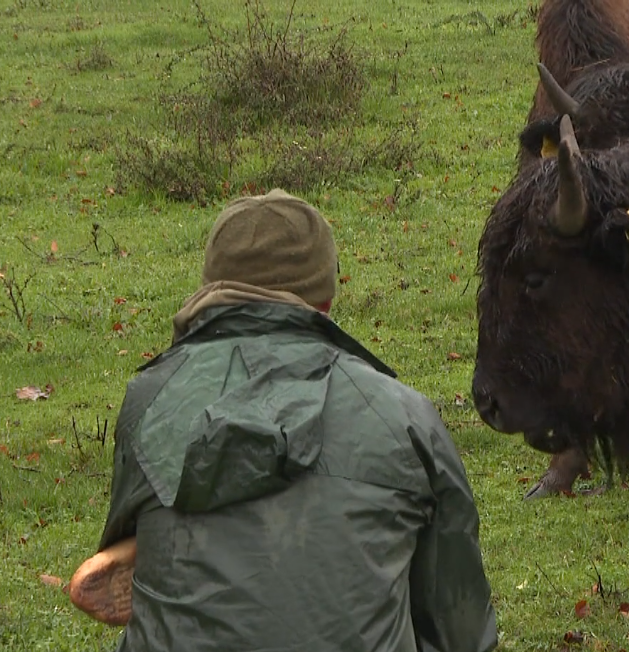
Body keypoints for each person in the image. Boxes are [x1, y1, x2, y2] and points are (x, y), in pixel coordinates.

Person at [68, 189, 498, 652]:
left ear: (211, 292)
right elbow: (463, 630)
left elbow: (131, 568)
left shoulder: (150, 400)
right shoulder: (403, 415)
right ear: (326, 301)